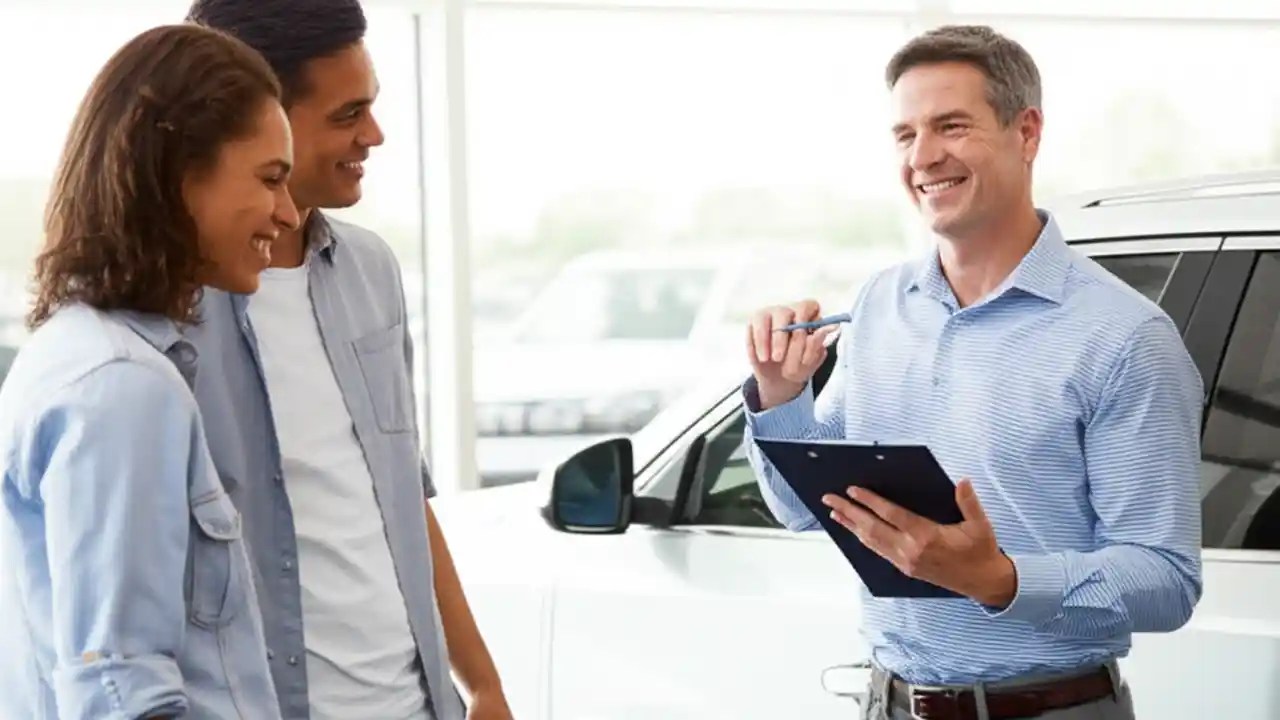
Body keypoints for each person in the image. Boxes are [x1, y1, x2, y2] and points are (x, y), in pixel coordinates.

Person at [743, 25, 1203, 720]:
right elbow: (812, 512)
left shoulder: (1124, 338)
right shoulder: (879, 305)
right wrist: (781, 399)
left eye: (951, 127)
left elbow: (1166, 581)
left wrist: (1001, 580)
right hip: (888, 702)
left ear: (1027, 132)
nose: (924, 157)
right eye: (905, 135)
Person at [182, 2, 511, 719]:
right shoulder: (161, 314)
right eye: (346, 115)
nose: (375, 135)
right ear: (257, 117)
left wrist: (482, 684)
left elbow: (402, 500)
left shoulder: (370, 272)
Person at [0, 24, 299, 720]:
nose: (286, 214)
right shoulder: (124, 386)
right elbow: (119, 691)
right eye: (269, 179)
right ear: (180, 175)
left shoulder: (70, 353)